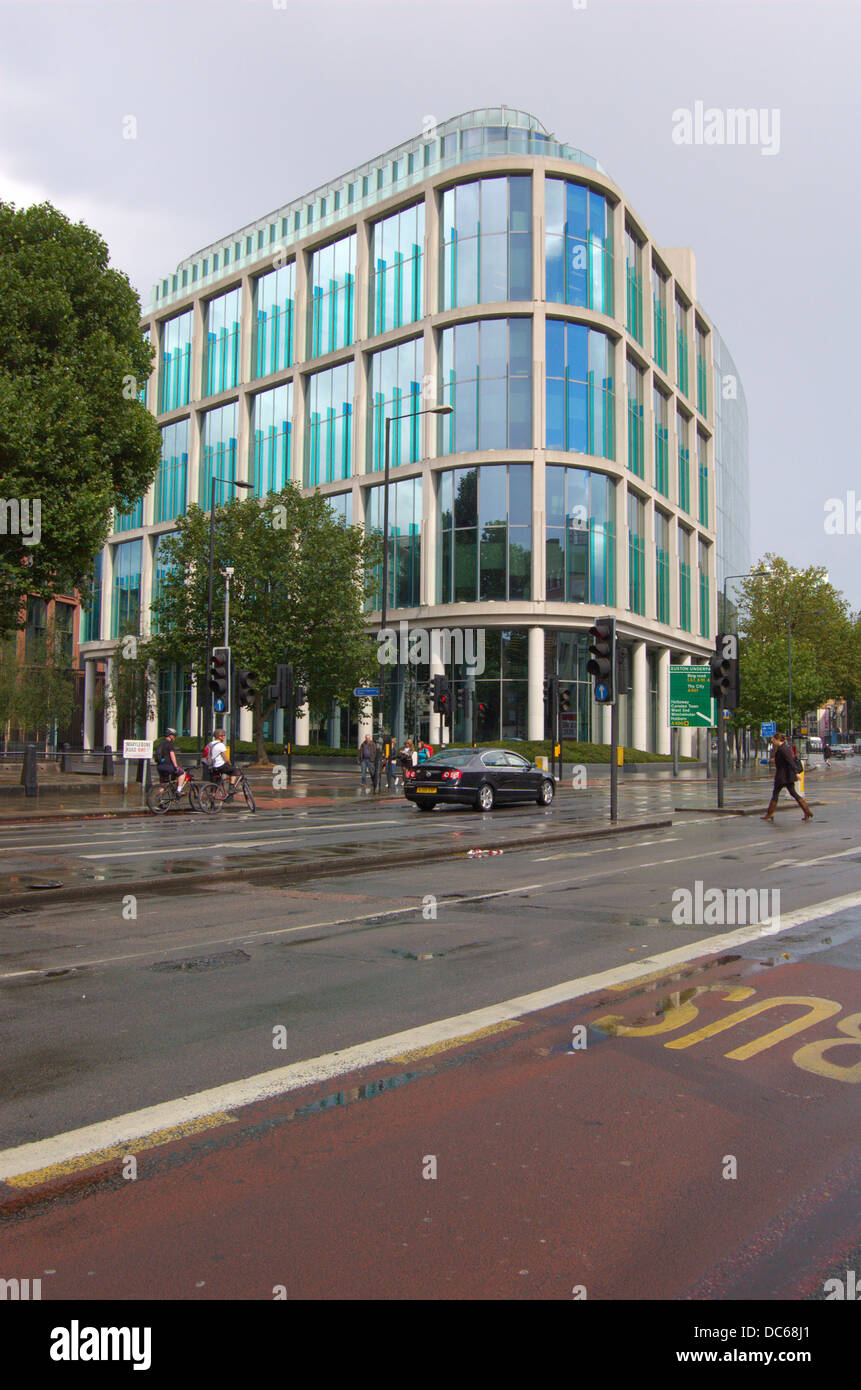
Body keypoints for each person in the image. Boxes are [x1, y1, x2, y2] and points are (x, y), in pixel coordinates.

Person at [762, 732, 812, 821]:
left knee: (776, 794)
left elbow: (790, 761)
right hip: (787, 776)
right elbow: (784, 760)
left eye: (773, 740)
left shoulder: (783, 749)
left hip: (783, 776)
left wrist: (797, 773)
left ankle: (770, 813)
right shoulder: (783, 748)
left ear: (778, 740)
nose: (772, 741)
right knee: (793, 794)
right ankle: (807, 812)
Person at [153, 728, 189, 795]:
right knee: (182, 773)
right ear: (170, 735)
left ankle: (159, 799)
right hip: (167, 766)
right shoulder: (169, 743)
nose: (175, 737)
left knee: (163, 784)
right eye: (174, 735)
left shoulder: (161, 743)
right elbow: (172, 755)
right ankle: (179, 791)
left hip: (159, 766)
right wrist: (176, 766)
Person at [208, 729, 238, 795]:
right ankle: (231, 787)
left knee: (215, 784)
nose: (224, 737)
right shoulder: (221, 745)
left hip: (211, 766)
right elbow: (226, 758)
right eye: (223, 735)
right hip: (219, 765)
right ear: (220, 736)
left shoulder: (210, 744)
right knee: (234, 771)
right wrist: (229, 764)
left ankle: (211, 797)